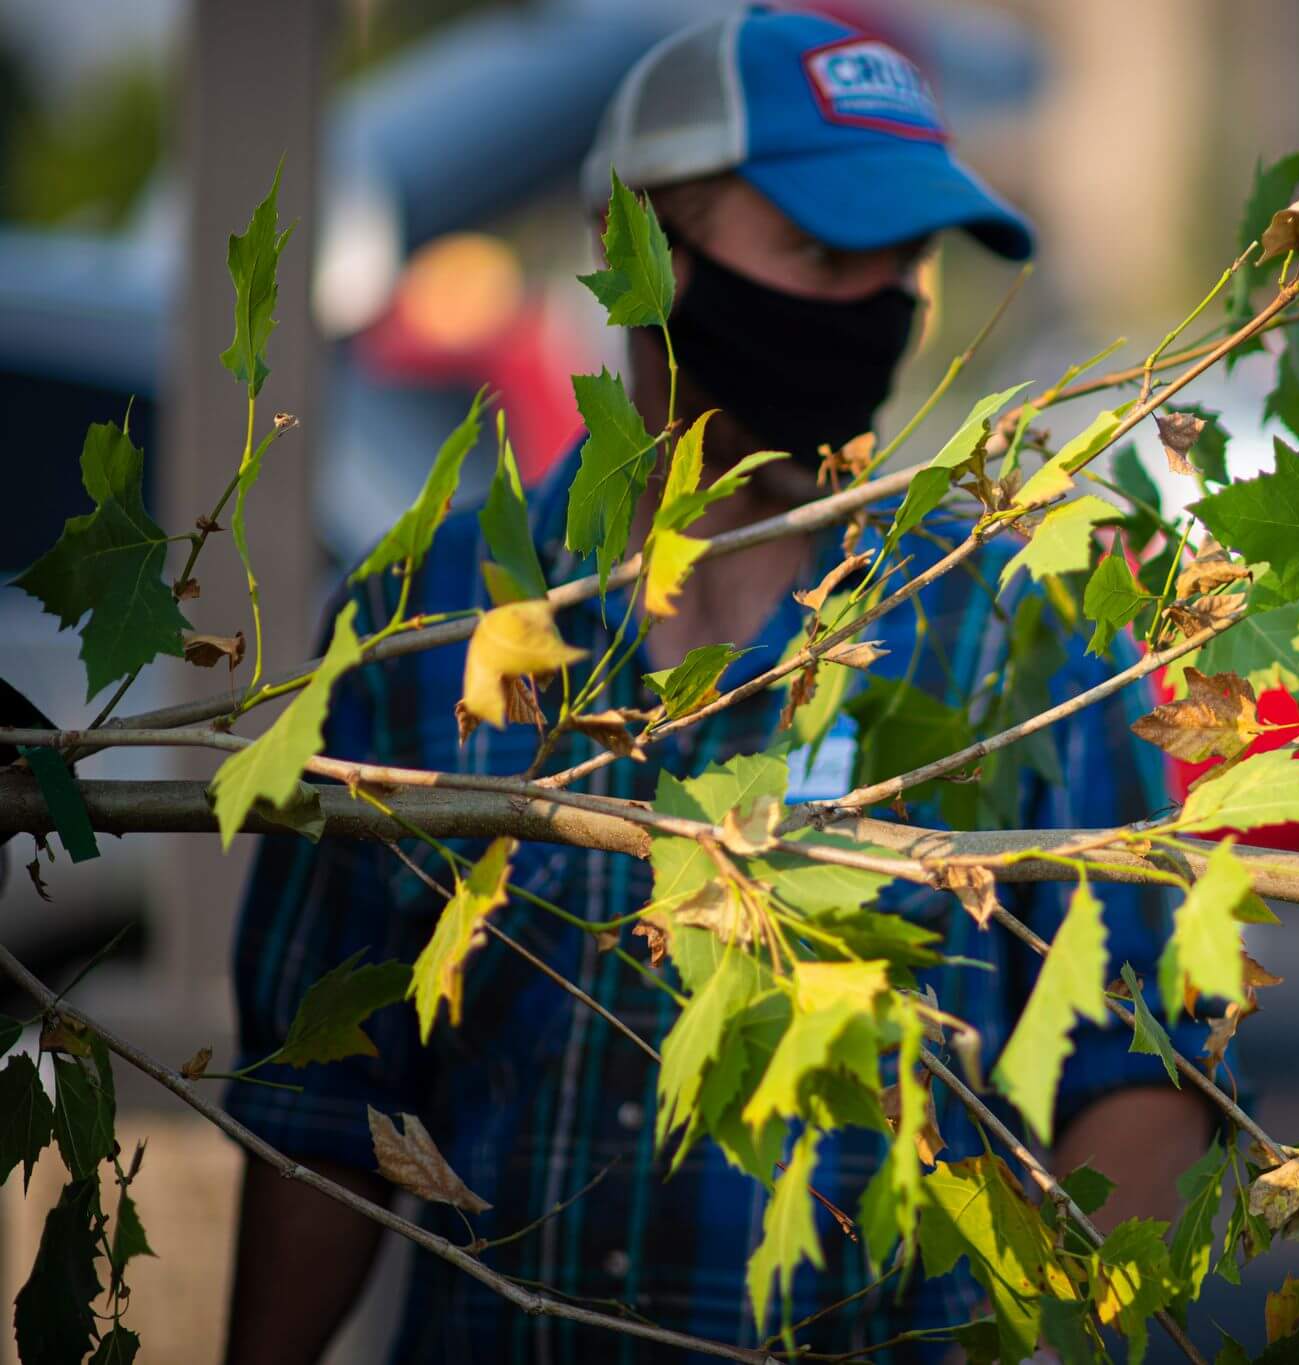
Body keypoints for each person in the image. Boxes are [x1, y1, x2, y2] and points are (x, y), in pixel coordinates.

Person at [220, 10, 1214, 1362]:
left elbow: (1139, 1066)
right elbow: (323, 1117)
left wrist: (1054, 1332)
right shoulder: (421, 638)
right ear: (638, 250)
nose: (875, 306)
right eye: (818, 250)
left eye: (903, 262)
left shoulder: (1009, 648)